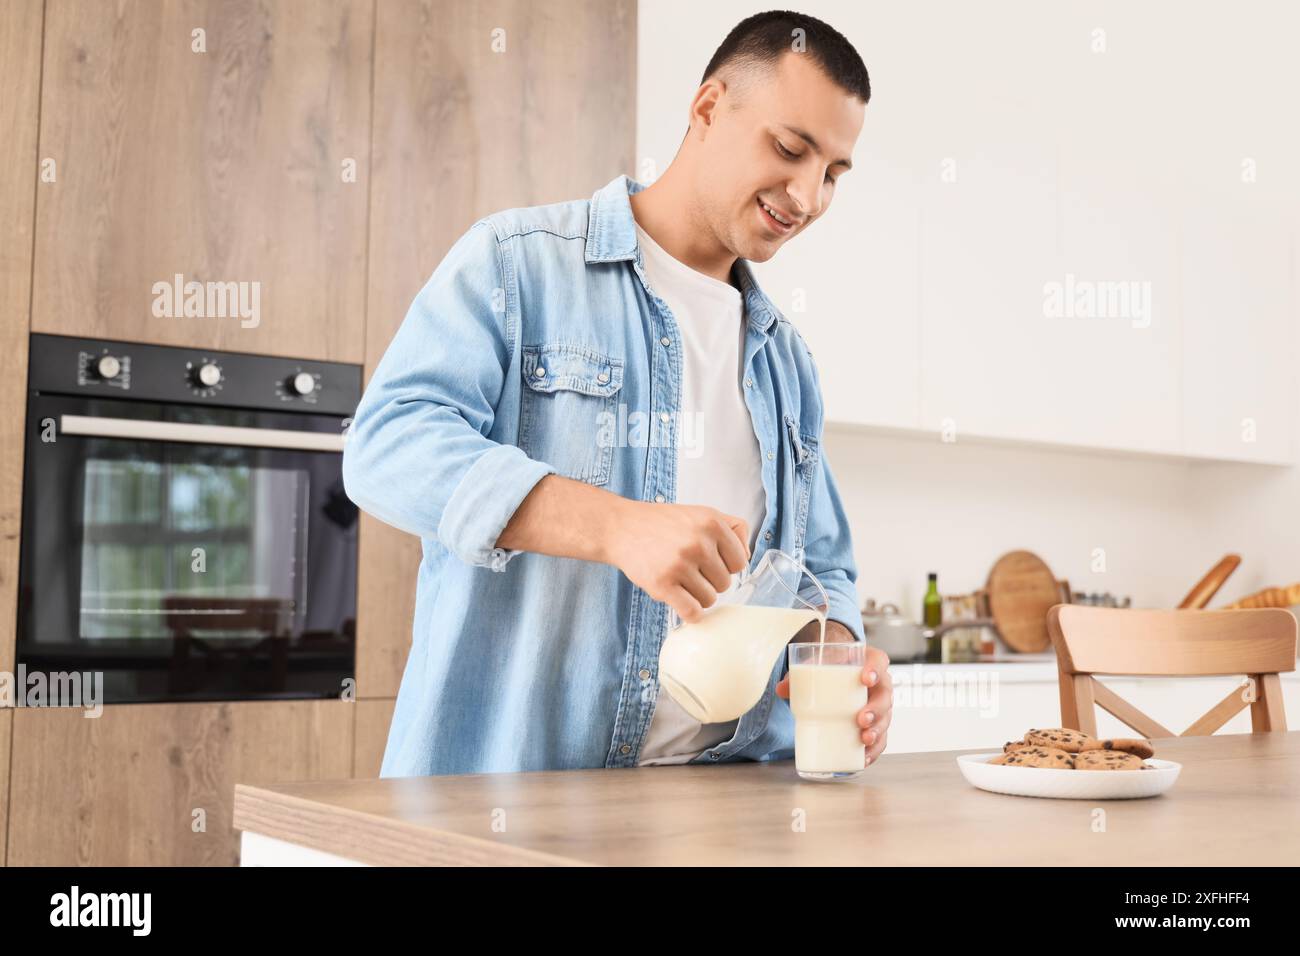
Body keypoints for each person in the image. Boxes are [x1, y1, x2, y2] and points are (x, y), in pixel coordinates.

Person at [343, 10, 893, 777]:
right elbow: (385, 447)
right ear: (708, 108)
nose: (806, 196)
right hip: (508, 802)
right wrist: (614, 527)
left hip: (722, 808)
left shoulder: (786, 363)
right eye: (790, 149)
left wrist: (838, 653)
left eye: (833, 174)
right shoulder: (519, 265)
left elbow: (822, 571)